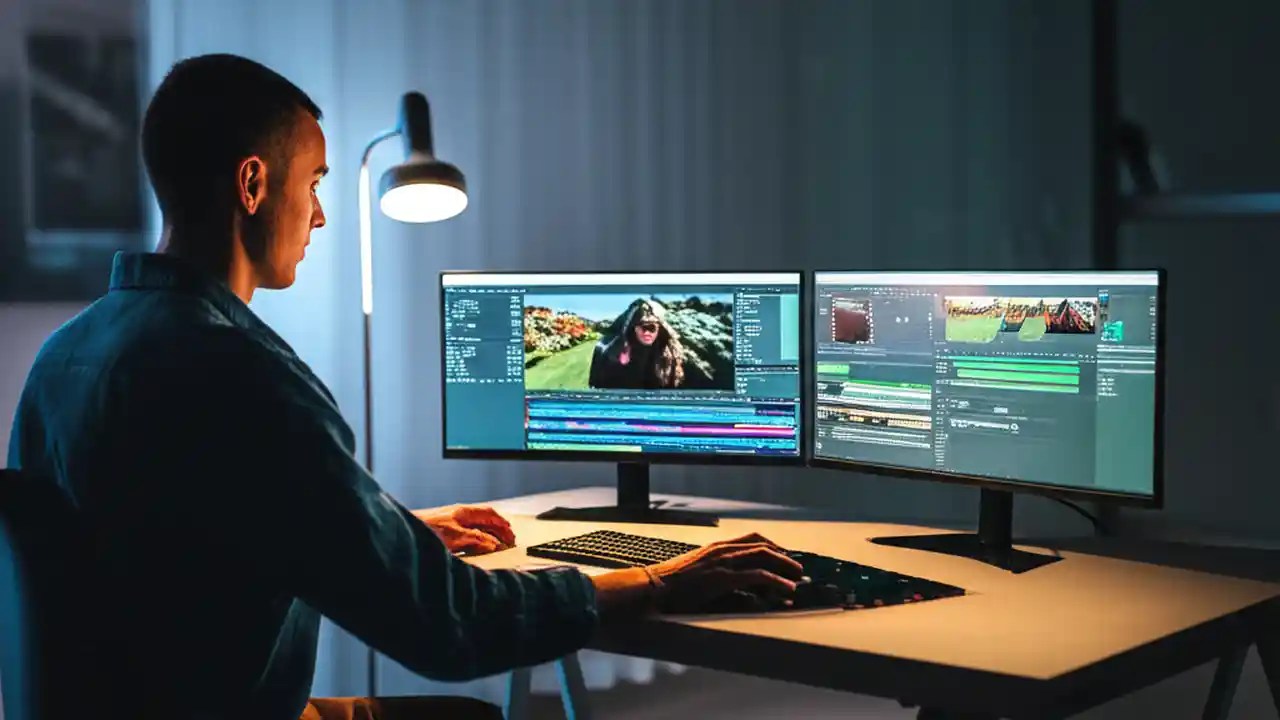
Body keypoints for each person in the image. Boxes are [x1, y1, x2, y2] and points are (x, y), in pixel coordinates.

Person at [5, 54, 802, 720]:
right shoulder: (243, 379)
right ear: (252, 185)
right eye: (314, 182)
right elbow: (448, 629)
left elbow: (188, 544)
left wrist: (397, 533)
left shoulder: (66, 356)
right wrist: (655, 582)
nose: (319, 216)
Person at [588, 299, 686, 389]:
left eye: (651, 328)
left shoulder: (670, 352)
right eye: (643, 328)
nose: (647, 333)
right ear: (634, 328)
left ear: (659, 329)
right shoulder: (611, 350)